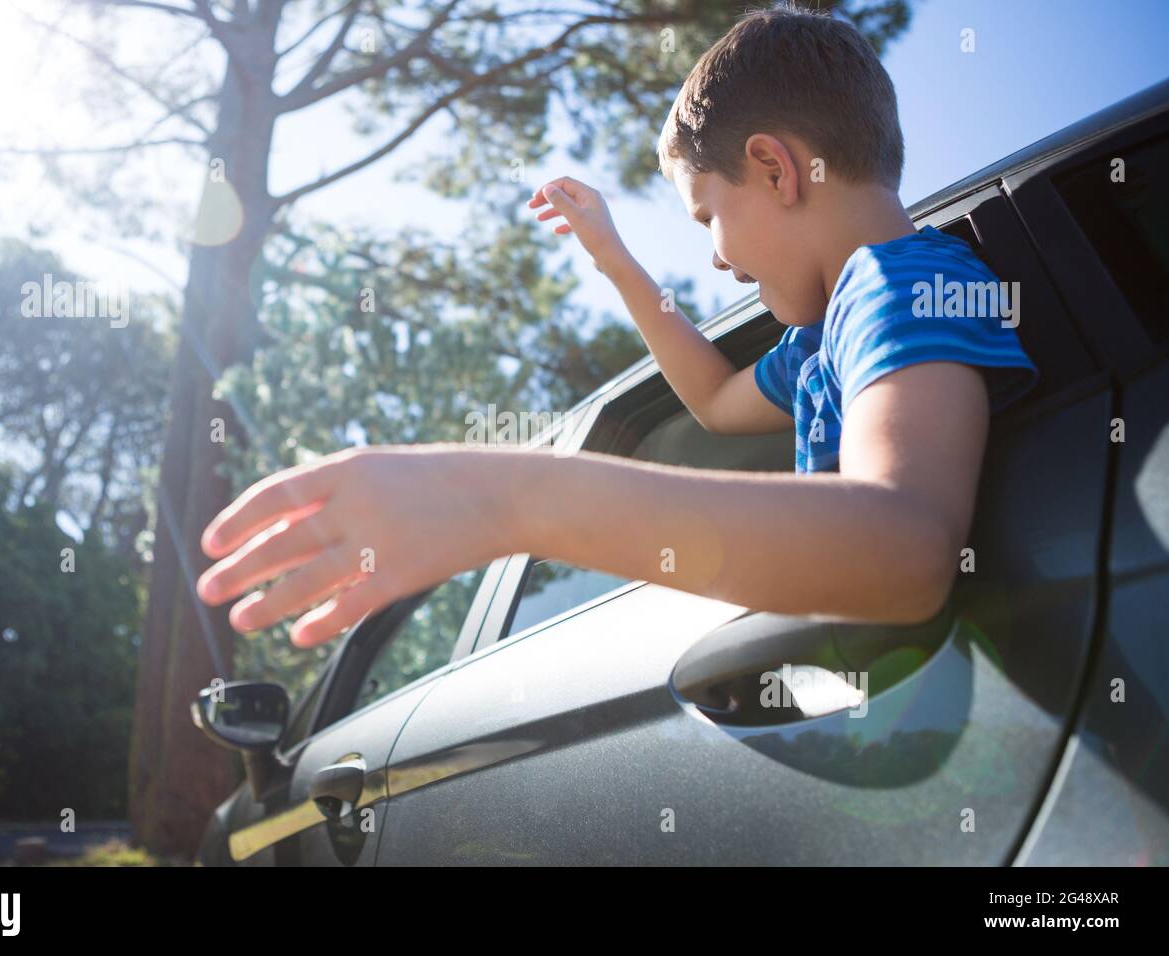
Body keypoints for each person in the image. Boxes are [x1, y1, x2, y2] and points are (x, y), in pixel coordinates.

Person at [195, 6, 1037, 649]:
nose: (715, 258)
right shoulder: (826, 342)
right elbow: (712, 398)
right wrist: (614, 259)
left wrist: (505, 500)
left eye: (707, 215)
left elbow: (908, 550)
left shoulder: (900, 284)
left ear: (776, 169)